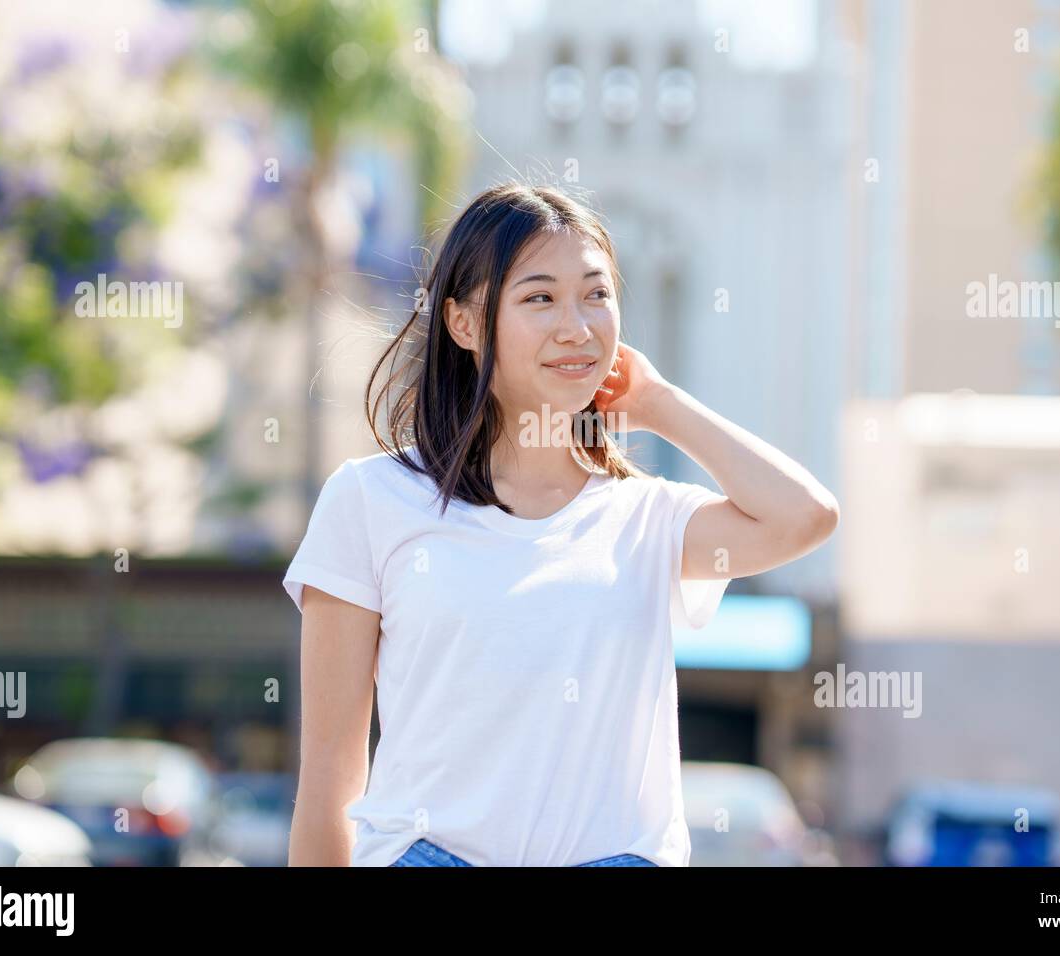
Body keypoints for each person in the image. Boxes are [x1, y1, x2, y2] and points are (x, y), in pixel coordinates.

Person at [283, 183, 839, 867]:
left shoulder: (647, 517)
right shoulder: (371, 500)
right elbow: (331, 780)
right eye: (539, 297)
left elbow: (806, 516)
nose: (576, 326)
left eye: (596, 295)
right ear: (462, 323)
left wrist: (660, 403)